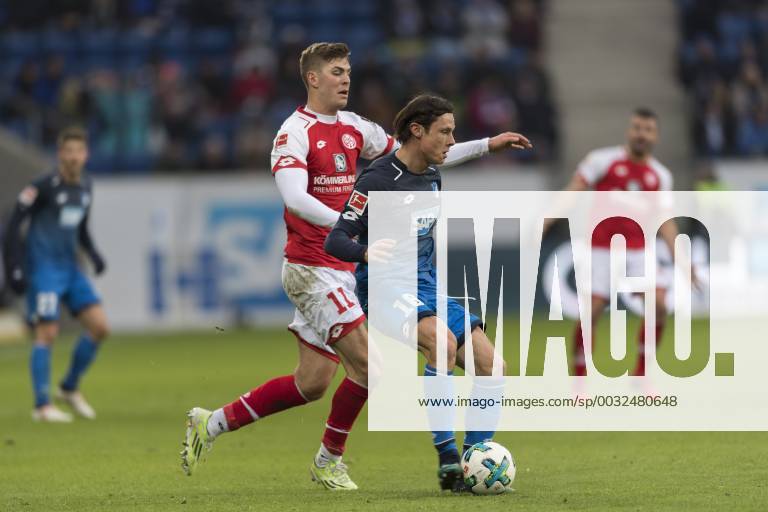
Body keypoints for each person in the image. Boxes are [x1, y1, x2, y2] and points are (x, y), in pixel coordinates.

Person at [181, 42, 529, 490]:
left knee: (310, 384)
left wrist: (485, 146)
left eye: (348, 71)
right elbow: (295, 198)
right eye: (336, 72)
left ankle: (209, 424)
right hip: (313, 266)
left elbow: (419, 150)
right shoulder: (294, 132)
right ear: (313, 78)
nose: (346, 79)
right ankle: (330, 459)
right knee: (370, 369)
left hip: (348, 266)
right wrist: (359, 225)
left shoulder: (354, 127)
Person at [324, 94, 532, 491]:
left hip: (426, 285)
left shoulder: (432, 171)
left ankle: (475, 458)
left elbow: (451, 156)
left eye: (454, 132)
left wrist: (492, 143)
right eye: (445, 132)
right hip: (384, 287)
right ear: (417, 132)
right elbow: (336, 239)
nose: (452, 140)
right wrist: (366, 251)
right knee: (441, 340)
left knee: (493, 365)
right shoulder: (378, 180)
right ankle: (448, 459)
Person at [543, 108, 679, 376]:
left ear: (656, 136)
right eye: (637, 128)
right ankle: (579, 382)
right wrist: (547, 218)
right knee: (591, 312)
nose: (642, 134)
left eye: (648, 129)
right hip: (601, 249)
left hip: (638, 250)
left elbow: (665, 218)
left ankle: (640, 375)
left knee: (659, 305)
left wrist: (681, 258)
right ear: (629, 131)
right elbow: (573, 190)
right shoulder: (602, 160)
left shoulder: (660, 176)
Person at [2, 127, 109, 423]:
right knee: (47, 332)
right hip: (45, 269)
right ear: (60, 154)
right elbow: (13, 224)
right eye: (69, 151)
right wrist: (13, 266)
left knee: (100, 327)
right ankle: (41, 406)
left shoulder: (86, 186)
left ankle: (69, 388)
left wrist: (94, 254)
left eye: (79, 151)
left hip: (71, 268)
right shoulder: (43, 186)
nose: (74, 157)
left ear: (86, 155)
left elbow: (81, 228)